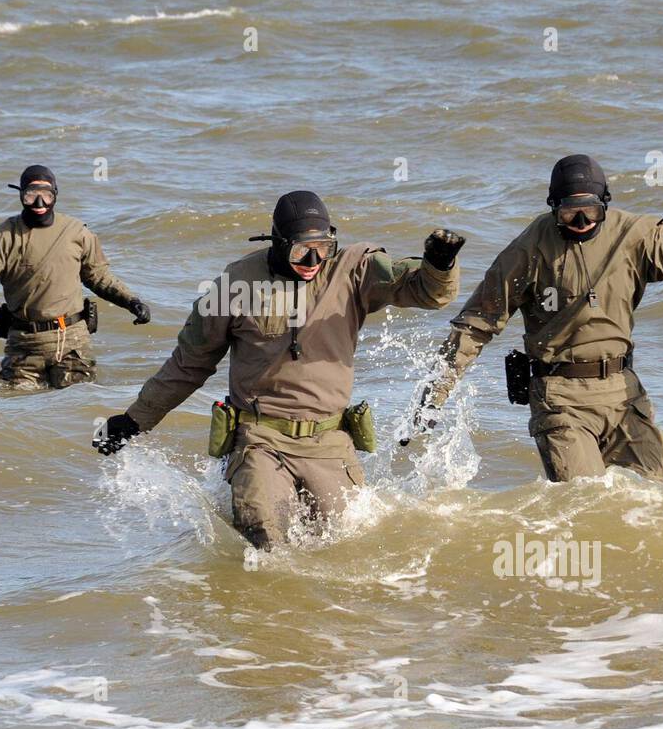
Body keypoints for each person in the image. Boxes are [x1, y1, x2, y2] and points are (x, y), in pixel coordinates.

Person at [96, 191, 464, 549]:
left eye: (324, 249)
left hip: (330, 441)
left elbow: (425, 292)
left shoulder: (354, 270)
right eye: (302, 250)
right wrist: (134, 421)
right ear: (278, 242)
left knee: (348, 544)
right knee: (264, 540)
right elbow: (189, 364)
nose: (313, 259)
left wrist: (439, 266)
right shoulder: (234, 283)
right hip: (260, 439)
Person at [407, 154, 663, 482]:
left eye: (591, 210)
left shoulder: (639, 236)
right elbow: (475, 326)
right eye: (570, 213)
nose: (582, 222)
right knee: (586, 506)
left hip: (624, 394)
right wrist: (433, 396)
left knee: (651, 508)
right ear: (553, 209)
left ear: (606, 203)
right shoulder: (527, 250)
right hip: (560, 400)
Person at [0, 165, 151, 388]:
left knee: (76, 410)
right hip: (24, 346)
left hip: (73, 342)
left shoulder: (77, 233)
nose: (39, 203)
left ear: (55, 195)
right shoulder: (1, 237)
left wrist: (131, 301)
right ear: (20, 195)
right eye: (31, 195)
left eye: (46, 195)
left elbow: (98, 276)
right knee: (17, 413)